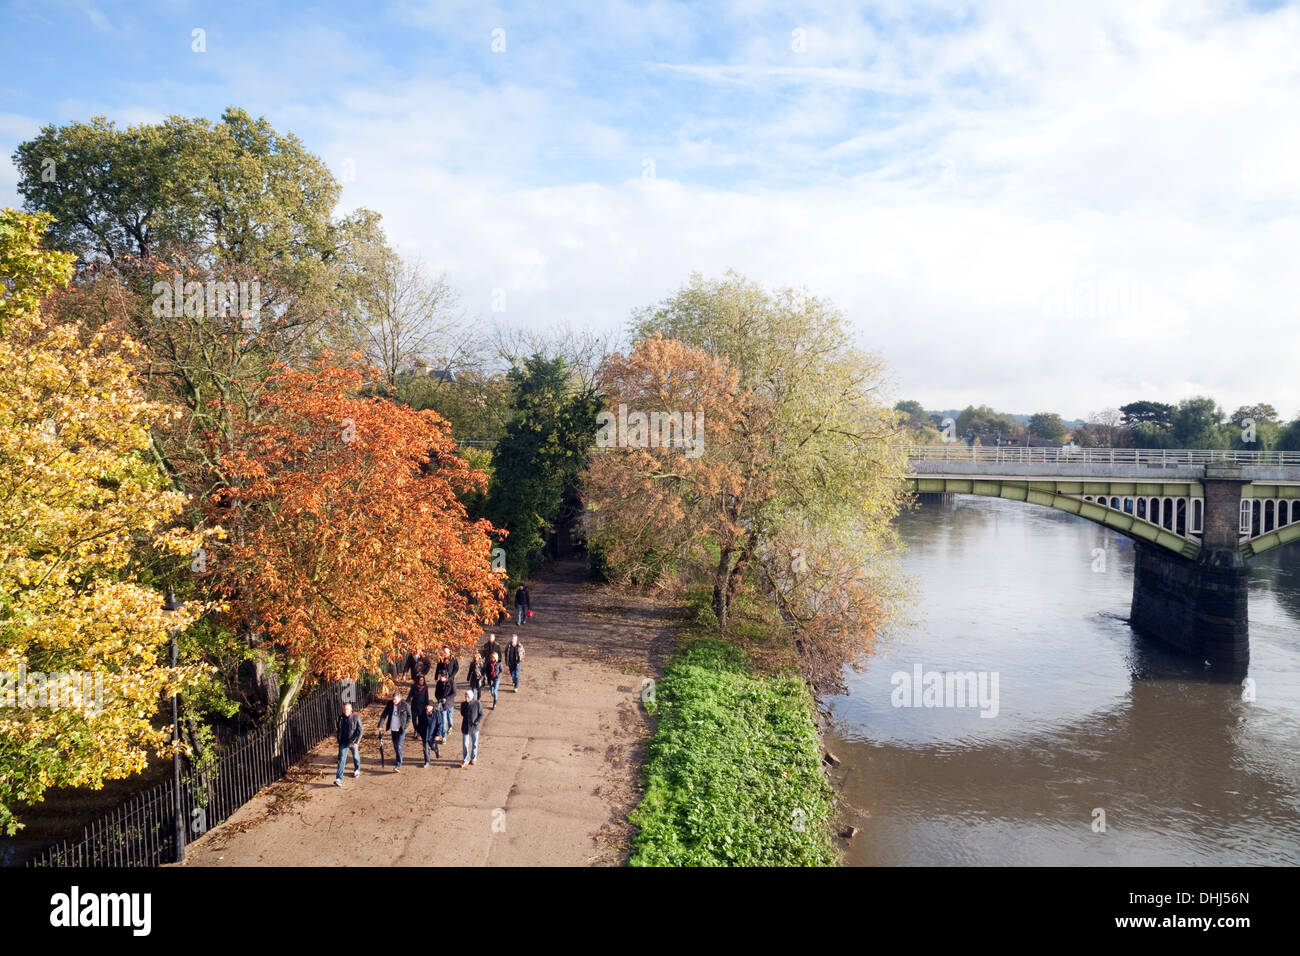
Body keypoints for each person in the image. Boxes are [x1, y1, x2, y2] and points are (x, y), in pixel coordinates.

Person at [377, 690, 412, 772]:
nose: (394, 701)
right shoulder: (390, 704)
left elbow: (409, 716)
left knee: (399, 746)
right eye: (393, 699)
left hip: (401, 729)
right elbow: (384, 714)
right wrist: (380, 725)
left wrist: (405, 726)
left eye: (395, 700)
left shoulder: (405, 704)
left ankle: (398, 765)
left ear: (399, 699)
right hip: (393, 728)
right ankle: (398, 757)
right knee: (396, 746)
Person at [335, 701, 363, 785]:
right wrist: (339, 740)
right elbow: (339, 729)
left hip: (353, 741)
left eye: (347, 709)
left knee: (355, 755)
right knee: (341, 759)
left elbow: (360, 730)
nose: (346, 710)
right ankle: (339, 779)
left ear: (351, 709)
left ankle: (357, 769)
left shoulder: (356, 717)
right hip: (343, 741)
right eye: (344, 709)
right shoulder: (341, 717)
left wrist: (357, 742)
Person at [460, 689, 483, 768]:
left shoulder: (477, 703)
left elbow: (481, 714)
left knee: (475, 744)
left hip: (474, 728)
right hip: (465, 727)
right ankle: (466, 759)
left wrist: (477, 721)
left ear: (471, 696)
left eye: (468, 696)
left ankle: (473, 758)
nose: (466, 698)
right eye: (465, 696)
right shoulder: (463, 704)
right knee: (465, 744)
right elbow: (462, 713)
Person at [415, 701, 440, 766]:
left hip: (432, 734)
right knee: (425, 749)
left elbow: (439, 725)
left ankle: (436, 750)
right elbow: (420, 723)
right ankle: (427, 761)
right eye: (427, 706)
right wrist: (418, 732)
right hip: (424, 734)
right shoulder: (423, 713)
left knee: (432, 746)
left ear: (432, 707)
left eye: (429, 706)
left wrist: (437, 734)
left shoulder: (436, 714)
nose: (427, 707)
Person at [434, 672, 454, 742]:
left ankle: (451, 726)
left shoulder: (451, 682)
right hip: (442, 705)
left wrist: (447, 699)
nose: (440, 678)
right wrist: (439, 699)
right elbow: (436, 693)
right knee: (443, 721)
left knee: (450, 717)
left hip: (450, 703)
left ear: (445, 677)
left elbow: (454, 693)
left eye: (441, 676)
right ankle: (444, 736)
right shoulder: (439, 683)